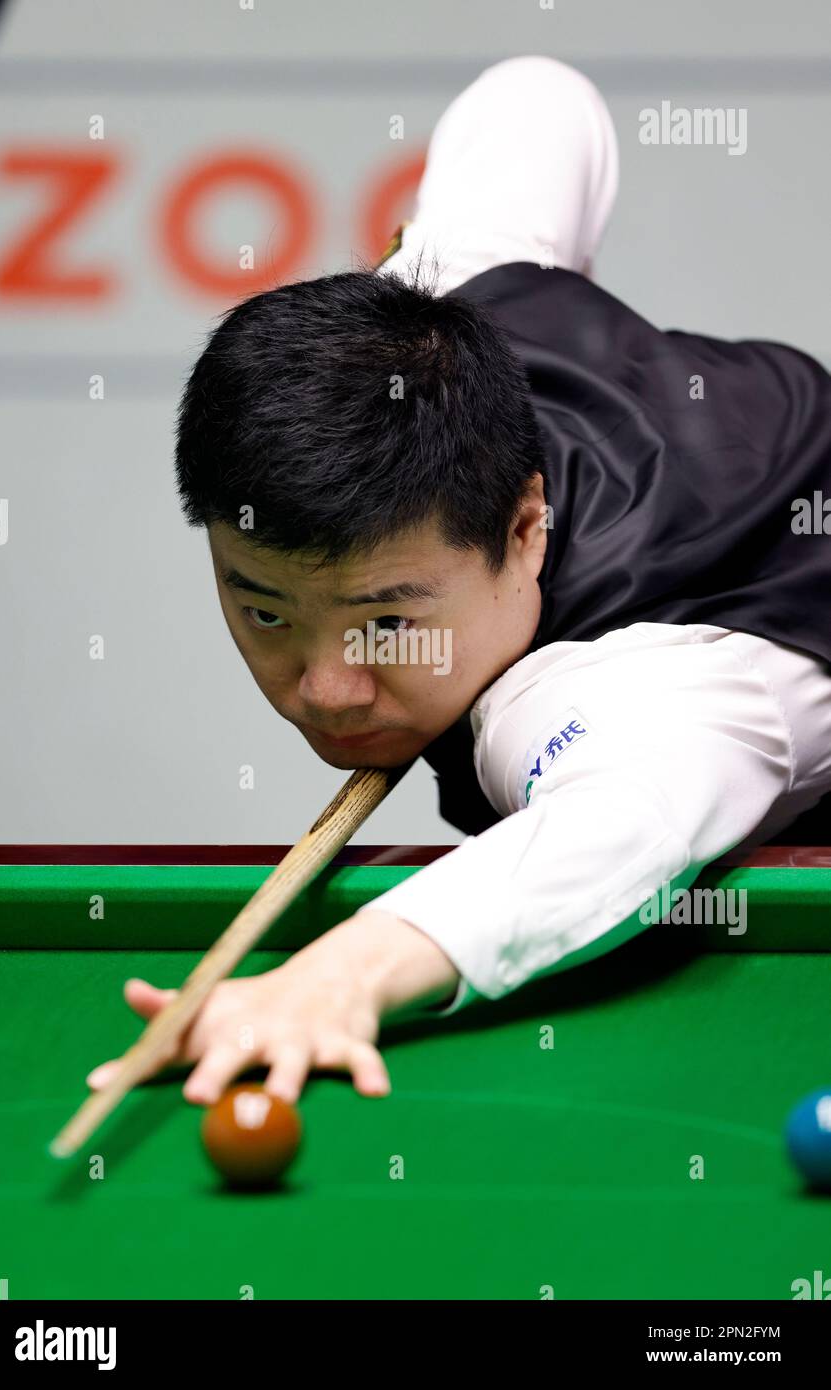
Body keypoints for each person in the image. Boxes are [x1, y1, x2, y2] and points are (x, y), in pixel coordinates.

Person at [88, 56, 831, 1107]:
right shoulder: (453, 284)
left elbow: (618, 823)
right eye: (263, 609)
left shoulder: (623, 690)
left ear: (524, 530)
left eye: (386, 623)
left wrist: (340, 975)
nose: (326, 687)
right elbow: (534, 96)